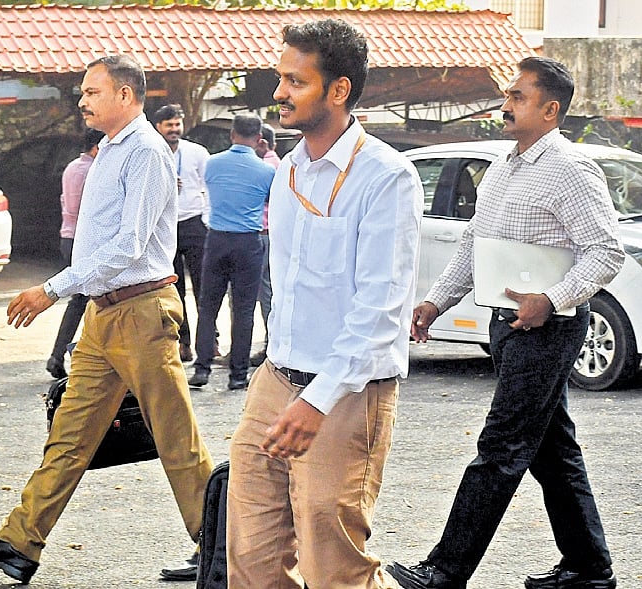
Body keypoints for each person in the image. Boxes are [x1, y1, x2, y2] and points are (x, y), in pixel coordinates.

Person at [0, 54, 215, 585]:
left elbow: (130, 245)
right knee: (69, 436)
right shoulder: (111, 151)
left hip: (142, 312)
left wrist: (52, 290)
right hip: (105, 315)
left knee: (174, 437)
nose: (82, 101)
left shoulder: (144, 151)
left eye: (92, 92)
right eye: (83, 93)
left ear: (125, 95)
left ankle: (222, 545)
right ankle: (19, 544)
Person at [385, 56, 624, 589]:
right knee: (553, 450)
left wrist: (552, 298)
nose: (505, 104)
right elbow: (475, 243)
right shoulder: (504, 165)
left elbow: (606, 252)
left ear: (550, 109)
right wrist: (435, 302)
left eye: (518, 96)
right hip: (506, 325)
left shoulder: (571, 168)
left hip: (549, 329)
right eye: (508, 95)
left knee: (501, 447)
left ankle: (445, 570)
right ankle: (589, 569)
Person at [227, 19, 422, 589]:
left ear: (338, 91)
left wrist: (317, 401)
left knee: (331, 564)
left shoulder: (387, 177)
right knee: (252, 558)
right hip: (276, 380)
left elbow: (381, 310)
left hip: (346, 391)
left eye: (295, 81)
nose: (279, 93)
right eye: (280, 78)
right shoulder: (287, 170)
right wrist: (279, 380)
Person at [187, 113, 274, 391]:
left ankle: (202, 368)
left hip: (217, 239)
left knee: (208, 305)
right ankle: (238, 375)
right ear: (258, 139)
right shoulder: (267, 171)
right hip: (249, 243)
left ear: (232, 134)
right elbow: (272, 203)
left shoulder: (212, 164)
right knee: (244, 309)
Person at [153, 103, 211, 363]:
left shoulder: (197, 152)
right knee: (175, 290)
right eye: (169, 126)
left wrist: (207, 219)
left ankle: (210, 342)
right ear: (159, 128)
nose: (174, 130)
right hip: (165, 227)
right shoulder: (152, 153)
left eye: (177, 125)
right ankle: (183, 342)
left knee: (203, 286)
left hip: (194, 222)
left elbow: (210, 186)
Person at [46, 128, 104, 379]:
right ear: (95, 147)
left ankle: (59, 355)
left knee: (80, 300)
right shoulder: (95, 170)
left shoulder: (71, 167)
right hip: (85, 240)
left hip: (68, 236)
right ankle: (79, 358)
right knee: (96, 300)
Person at [250, 123, 281, 368]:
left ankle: (271, 345)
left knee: (265, 292)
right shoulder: (279, 163)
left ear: (261, 142)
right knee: (269, 290)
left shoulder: (265, 166)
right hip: (272, 233)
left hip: (263, 232)